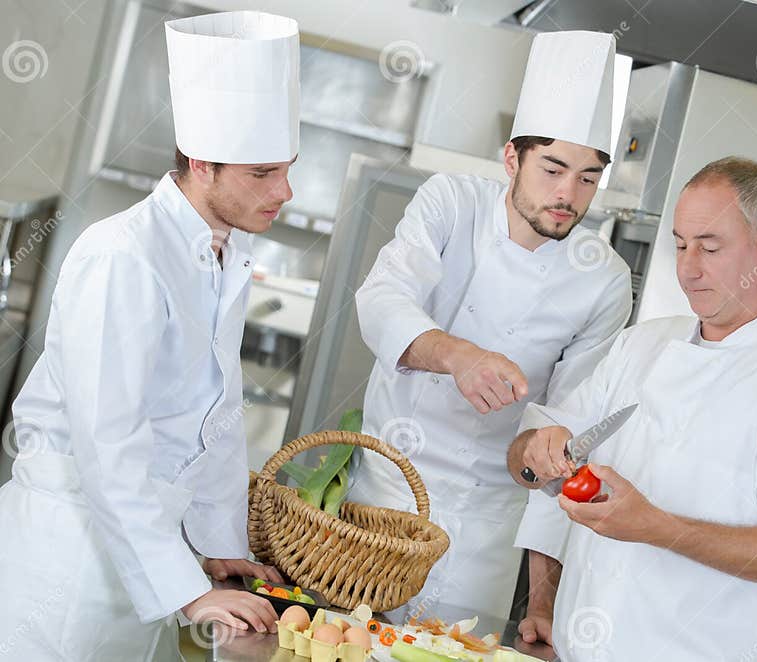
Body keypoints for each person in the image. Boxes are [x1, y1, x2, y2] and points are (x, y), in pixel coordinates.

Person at [0, 10, 301, 660]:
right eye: (261, 173)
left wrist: (221, 548)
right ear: (202, 163)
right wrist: (187, 593)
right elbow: (109, 441)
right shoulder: (123, 254)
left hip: (149, 551)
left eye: (287, 168)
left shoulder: (225, 252)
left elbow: (214, 416)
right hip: (69, 559)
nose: (286, 191)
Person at [508, 156, 757, 661]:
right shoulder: (641, 346)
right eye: (679, 245)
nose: (688, 268)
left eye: (710, 247)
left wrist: (655, 526)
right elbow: (532, 465)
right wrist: (534, 451)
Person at [350, 30, 633, 621]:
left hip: (488, 532)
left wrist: (544, 601)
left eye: (588, 177)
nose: (568, 195)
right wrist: (460, 357)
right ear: (512, 158)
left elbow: (566, 439)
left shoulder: (603, 279)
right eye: (553, 168)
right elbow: (382, 300)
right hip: (385, 503)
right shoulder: (452, 203)